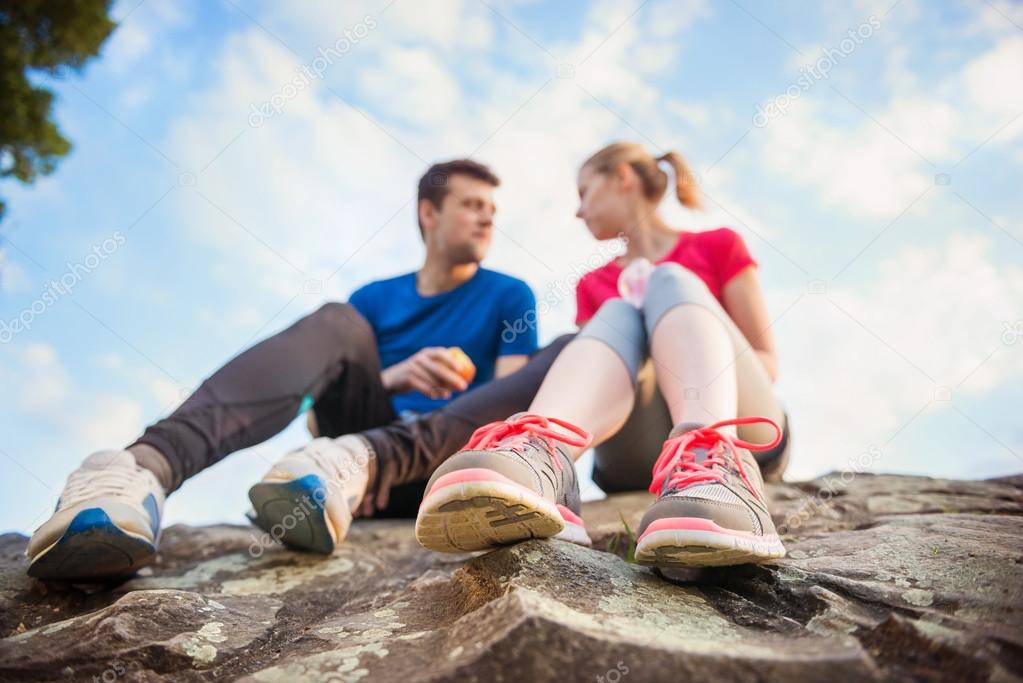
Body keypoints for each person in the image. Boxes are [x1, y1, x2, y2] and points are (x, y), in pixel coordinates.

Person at [26, 159, 562, 580]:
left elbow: (510, 414)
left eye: (491, 207)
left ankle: (365, 461)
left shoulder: (510, 295)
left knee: (563, 351)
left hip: (443, 469)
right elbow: (313, 420)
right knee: (336, 321)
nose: (488, 216)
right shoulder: (372, 300)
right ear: (429, 213)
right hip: (341, 466)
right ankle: (139, 470)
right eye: (471, 204)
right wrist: (393, 379)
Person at [414, 142, 792, 568]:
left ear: (623, 178)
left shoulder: (719, 245)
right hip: (643, 454)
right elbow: (600, 386)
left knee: (667, 278)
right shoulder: (593, 284)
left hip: (740, 423)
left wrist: (675, 340)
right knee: (617, 309)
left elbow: (767, 362)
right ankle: (545, 451)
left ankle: (717, 465)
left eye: (584, 192)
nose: (578, 212)